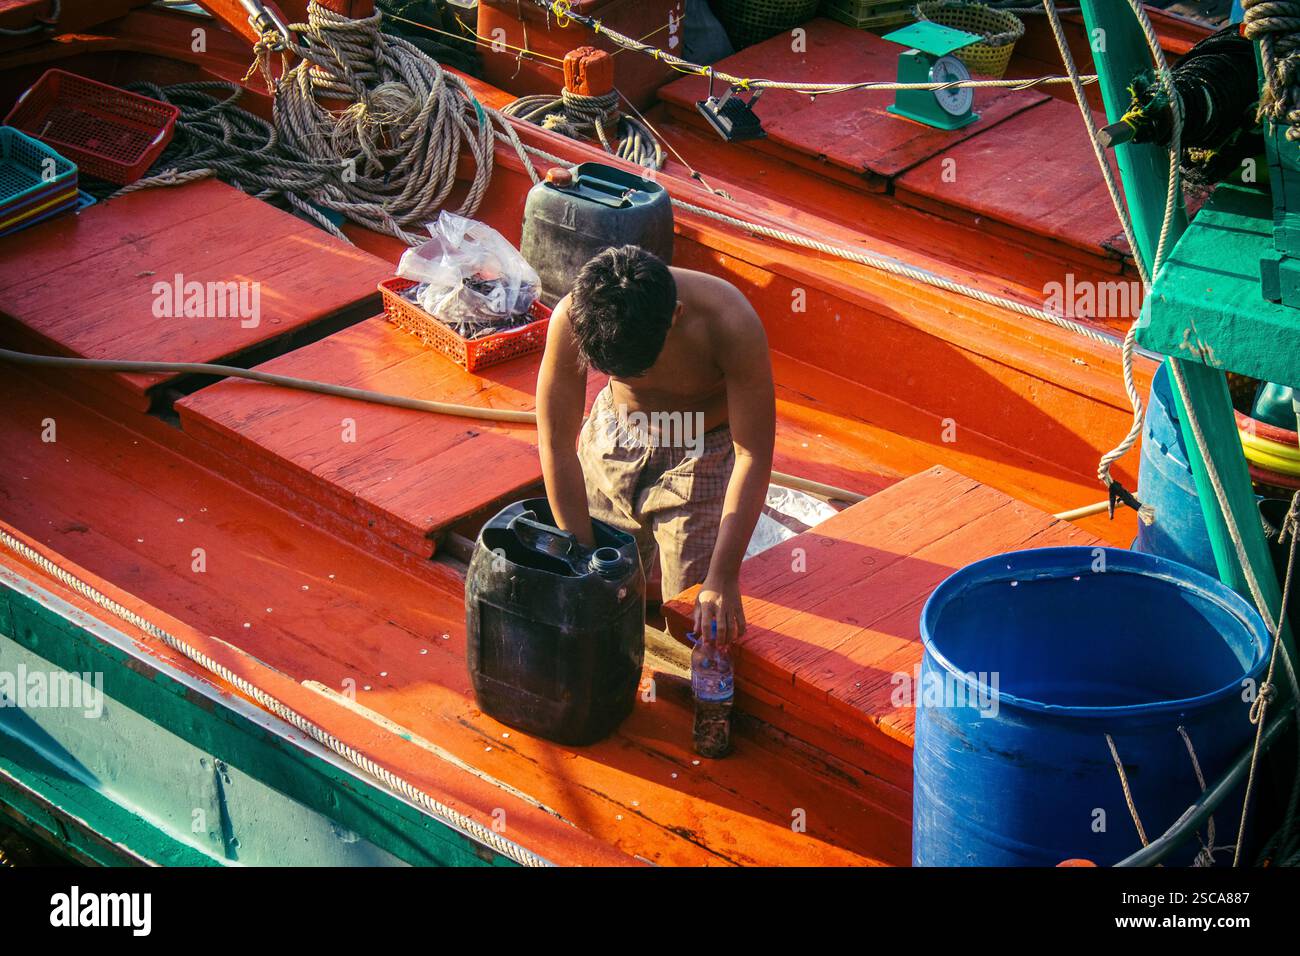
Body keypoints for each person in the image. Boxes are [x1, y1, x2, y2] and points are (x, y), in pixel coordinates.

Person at [536, 245, 775, 644]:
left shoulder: (730, 321)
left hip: (701, 456)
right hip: (614, 438)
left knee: (690, 618)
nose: (635, 380)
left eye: (641, 369)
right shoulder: (572, 316)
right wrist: (582, 559)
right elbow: (556, 443)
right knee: (598, 583)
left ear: (675, 316)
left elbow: (752, 453)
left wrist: (723, 576)